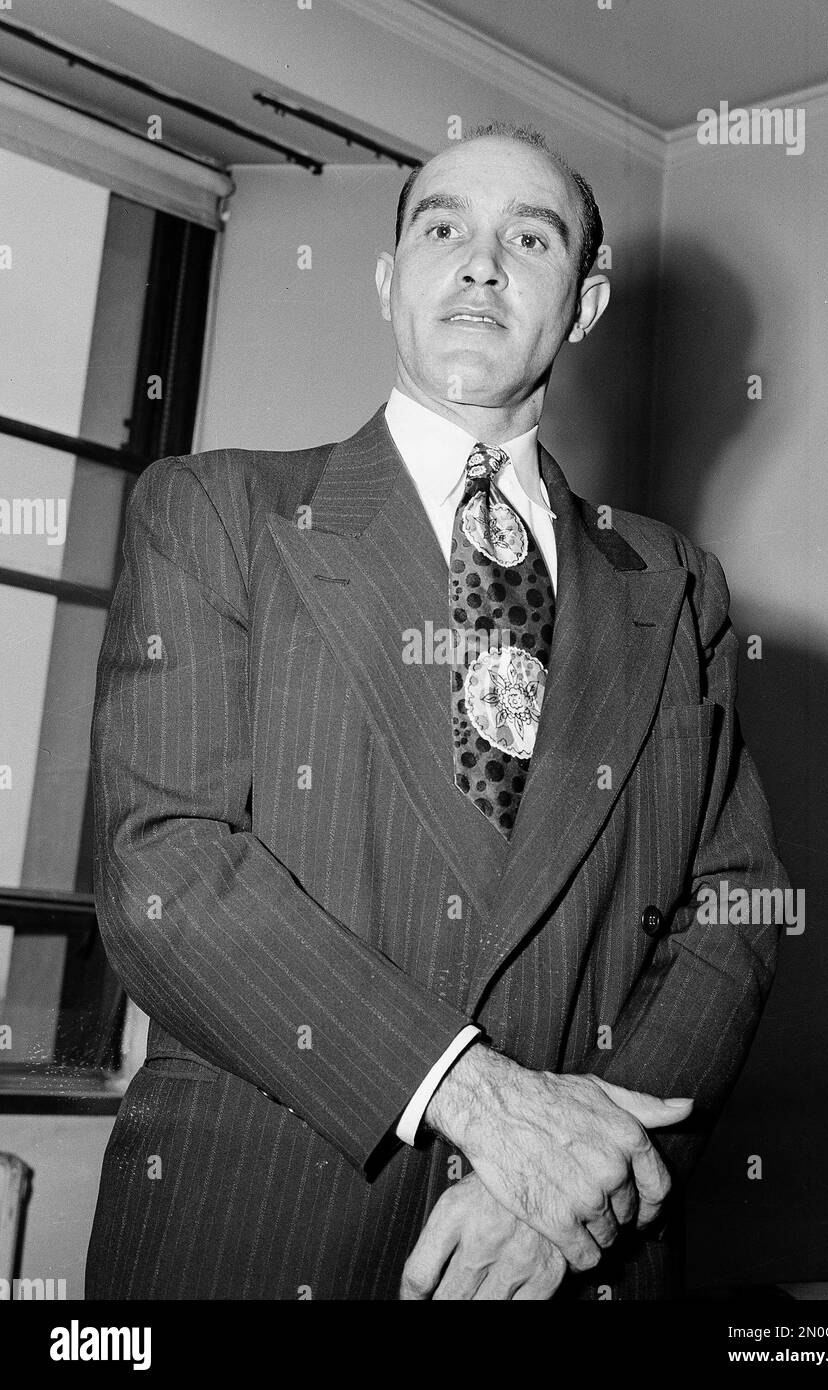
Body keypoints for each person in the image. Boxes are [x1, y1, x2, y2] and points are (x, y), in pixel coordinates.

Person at [86, 121, 787, 1301]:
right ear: (389, 278)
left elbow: (734, 906)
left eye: (530, 238)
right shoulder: (216, 513)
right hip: (252, 1235)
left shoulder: (675, 588)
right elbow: (163, 864)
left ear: (584, 303)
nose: (479, 264)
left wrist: (577, 1183)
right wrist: (480, 1099)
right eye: (443, 228)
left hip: (563, 1261)